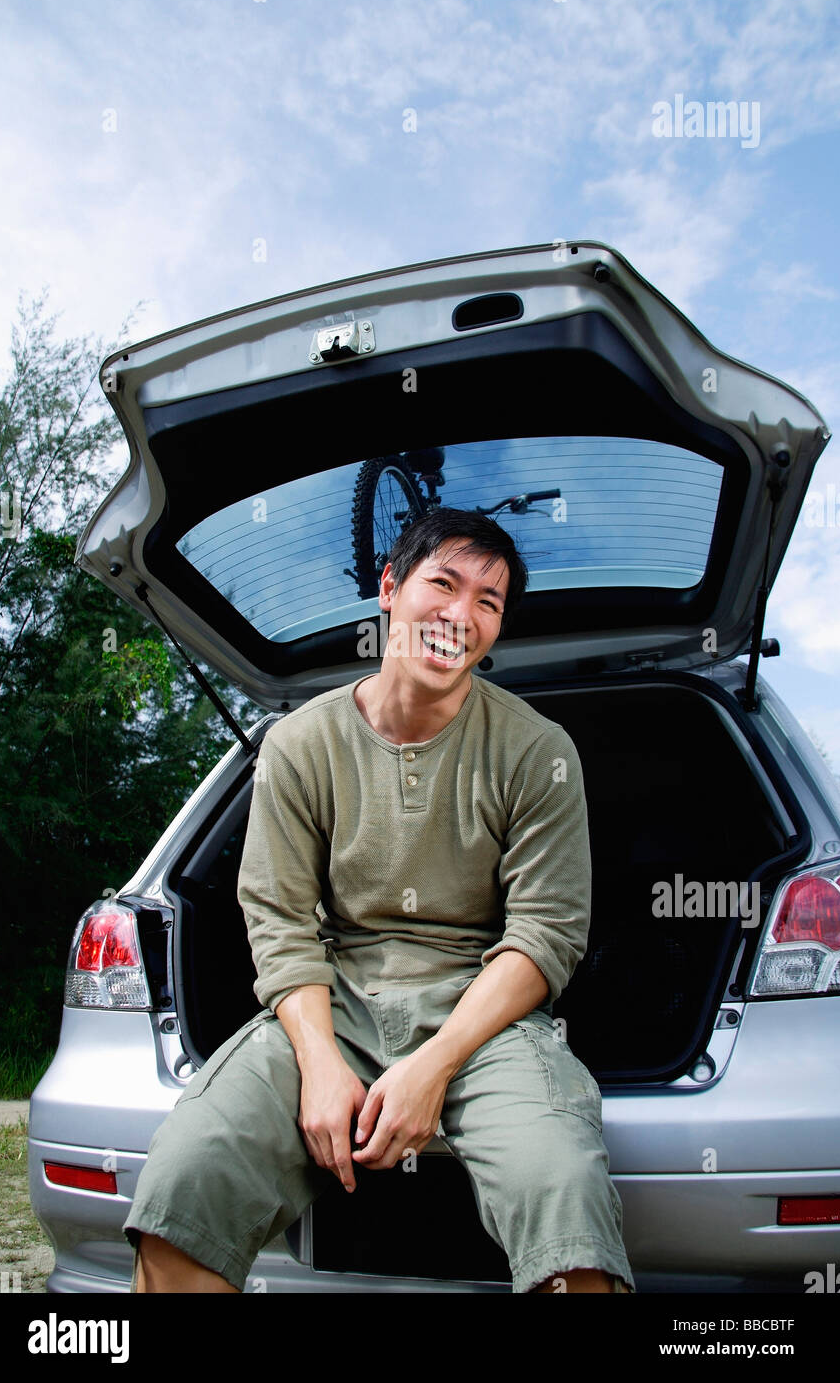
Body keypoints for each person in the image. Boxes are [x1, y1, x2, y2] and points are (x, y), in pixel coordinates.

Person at [125, 506, 635, 1294]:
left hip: (482, 1018)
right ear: (390, 588)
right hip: (334, 1004)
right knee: (186, 1180)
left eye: (489, 603)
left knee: (563, 1199)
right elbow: (280, 922)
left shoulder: (538, 751)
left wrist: (433, 1065)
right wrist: (322, 1064)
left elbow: (546, 937)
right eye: (445, 583)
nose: (462, 616)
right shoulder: (299, 745)